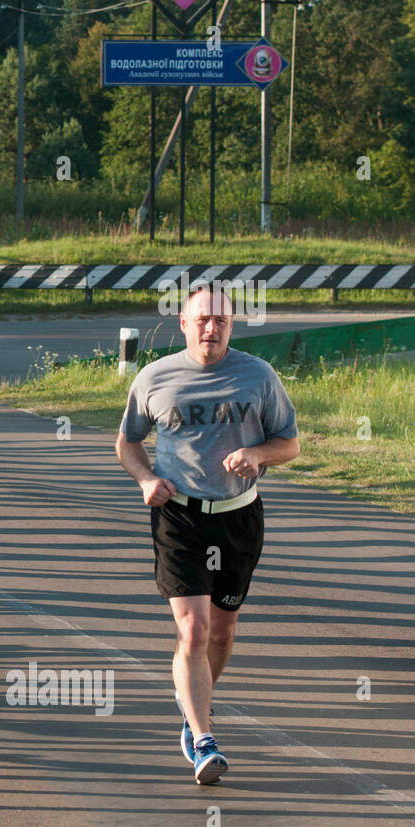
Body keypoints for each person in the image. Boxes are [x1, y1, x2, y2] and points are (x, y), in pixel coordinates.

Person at [115, 285, 299, 785]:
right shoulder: (155, 378)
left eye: (220, 320)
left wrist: (259, 455)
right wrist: (147, 478)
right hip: (180, 517)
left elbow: (291, 443)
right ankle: (202, 737)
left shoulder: (258, 375)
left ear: (232, 324)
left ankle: (194, 703)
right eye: (201, 319)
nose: (210, 329)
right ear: (183, 323)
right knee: (192, 631)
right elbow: (127, 441)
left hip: (239, 517)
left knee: (222, 632)